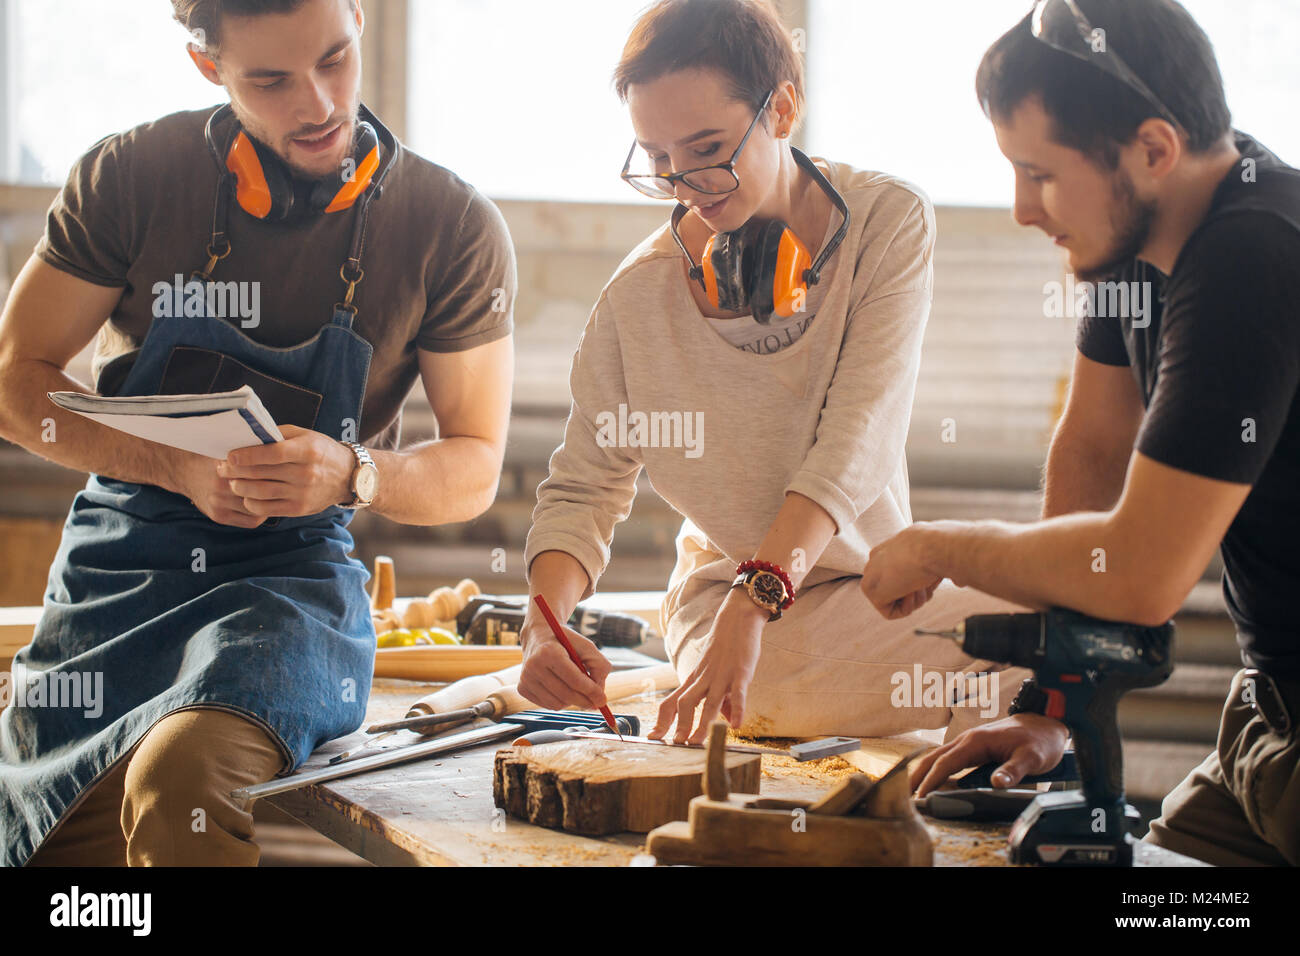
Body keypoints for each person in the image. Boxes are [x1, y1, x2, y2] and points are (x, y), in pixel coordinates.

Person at [0, 0, 515, 867]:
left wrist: (355, 472)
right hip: (118, 568)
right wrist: (175, 467)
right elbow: (17, 385)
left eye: (335, 58)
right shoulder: (131, 175)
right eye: (271, 80)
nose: (317, 103)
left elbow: (475, 466)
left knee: (179, 782)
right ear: (210, 68)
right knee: (58, 858)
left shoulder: (450, 224)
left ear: (358, 18)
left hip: (289, 588)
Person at [861, 0, 1300, 866]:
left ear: (1152, 149)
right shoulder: (1141, 235)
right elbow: (1095, 451)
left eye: (1041, 174)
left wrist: (937, 547)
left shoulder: (1255, 255)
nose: (1023, 209)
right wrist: (1052, 700)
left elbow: (1138, 575)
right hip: (1267, 718)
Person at [516, 0, 1027, 745]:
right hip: (727, 612)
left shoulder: (889, 223)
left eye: (709, 146)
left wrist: (759, 598)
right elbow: (582, 490)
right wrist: (545, 627)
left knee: (1057, 625)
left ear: (782, 108)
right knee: (788, 683)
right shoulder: (636, 300)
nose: (688, 181)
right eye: (660, 161)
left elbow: (857, 440)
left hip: (864, 592)